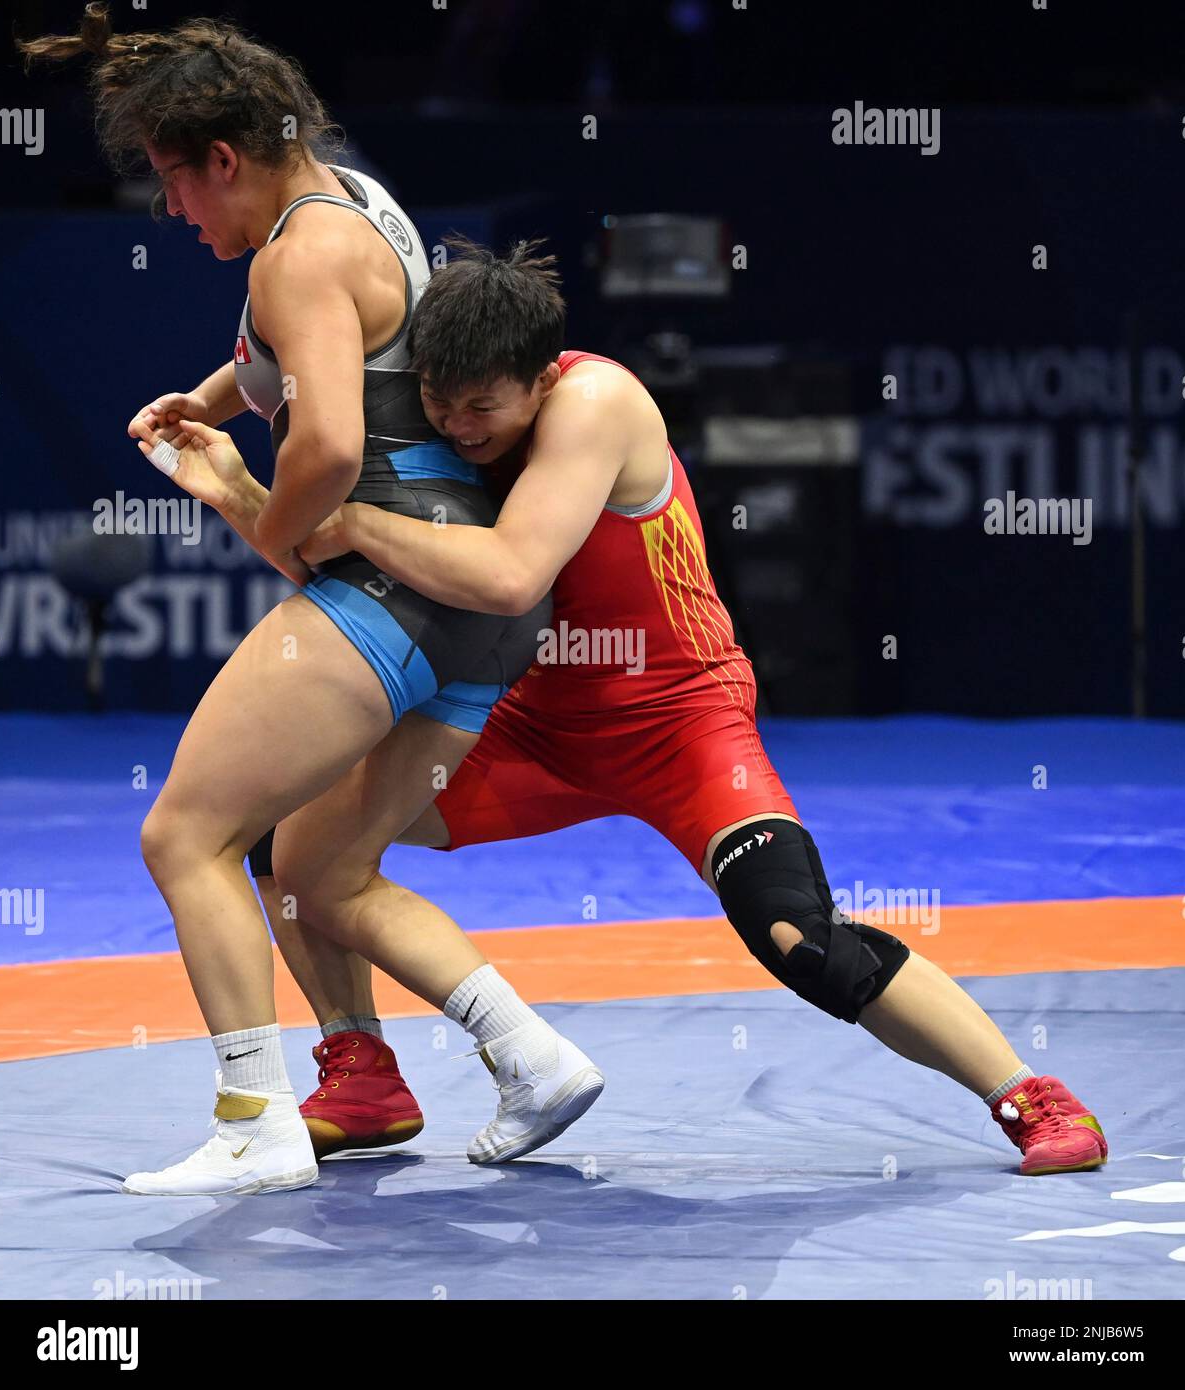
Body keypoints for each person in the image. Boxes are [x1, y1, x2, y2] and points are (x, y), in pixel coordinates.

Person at [218, 238, 1108, 1179]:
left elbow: (511, 573)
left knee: (798, 938)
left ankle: (1028, 1096)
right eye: (440, 400)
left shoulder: (594, 402)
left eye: (484, 406)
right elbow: (282, 418)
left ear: (539, 377)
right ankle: (361, 1073)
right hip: (531, 728)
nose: (459, 425)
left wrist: (351, 516)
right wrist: (230, 468)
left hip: (681, 723)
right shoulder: (438, 409)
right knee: (289, 840)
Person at [21, 5, 600, 1196]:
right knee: (309, 865)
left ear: (223, 158)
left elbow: (330, 443)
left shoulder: (292, 255)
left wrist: (263, 521)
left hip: (391, 583)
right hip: (476, 609)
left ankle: (254, 1119)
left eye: (176, 187)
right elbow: (312, 357)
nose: (174, 216)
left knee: (185, 835)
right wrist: (208, 398)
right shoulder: (352, 201)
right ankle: (512, 1057)